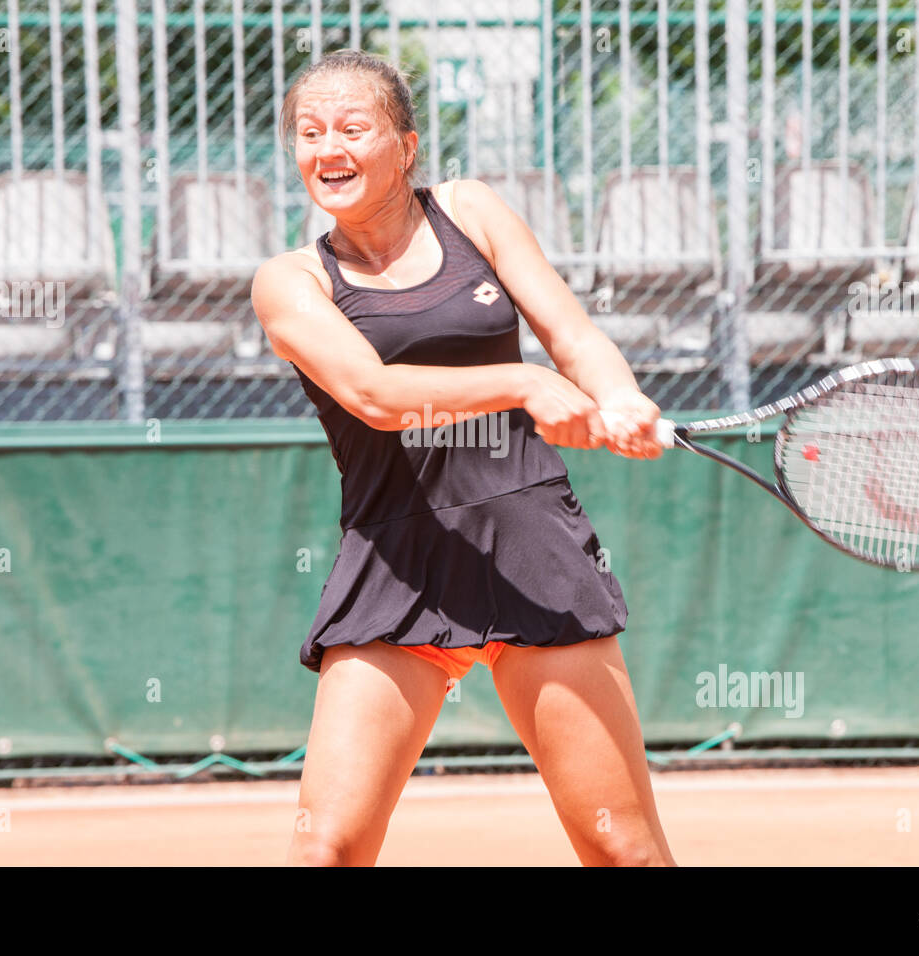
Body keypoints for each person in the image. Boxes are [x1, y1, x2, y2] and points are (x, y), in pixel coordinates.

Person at [252, 49, 676, 867]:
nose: (326, 148)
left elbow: (573, 335)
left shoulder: (470, 210)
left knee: (621, 846)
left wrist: (617, 395)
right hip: (398, 558)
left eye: (351, 127)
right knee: (326, 850)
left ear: (405, 146)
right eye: (308, 133)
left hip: (529, 540)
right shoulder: (290, 282)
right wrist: (523, 384)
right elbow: (372, 394)